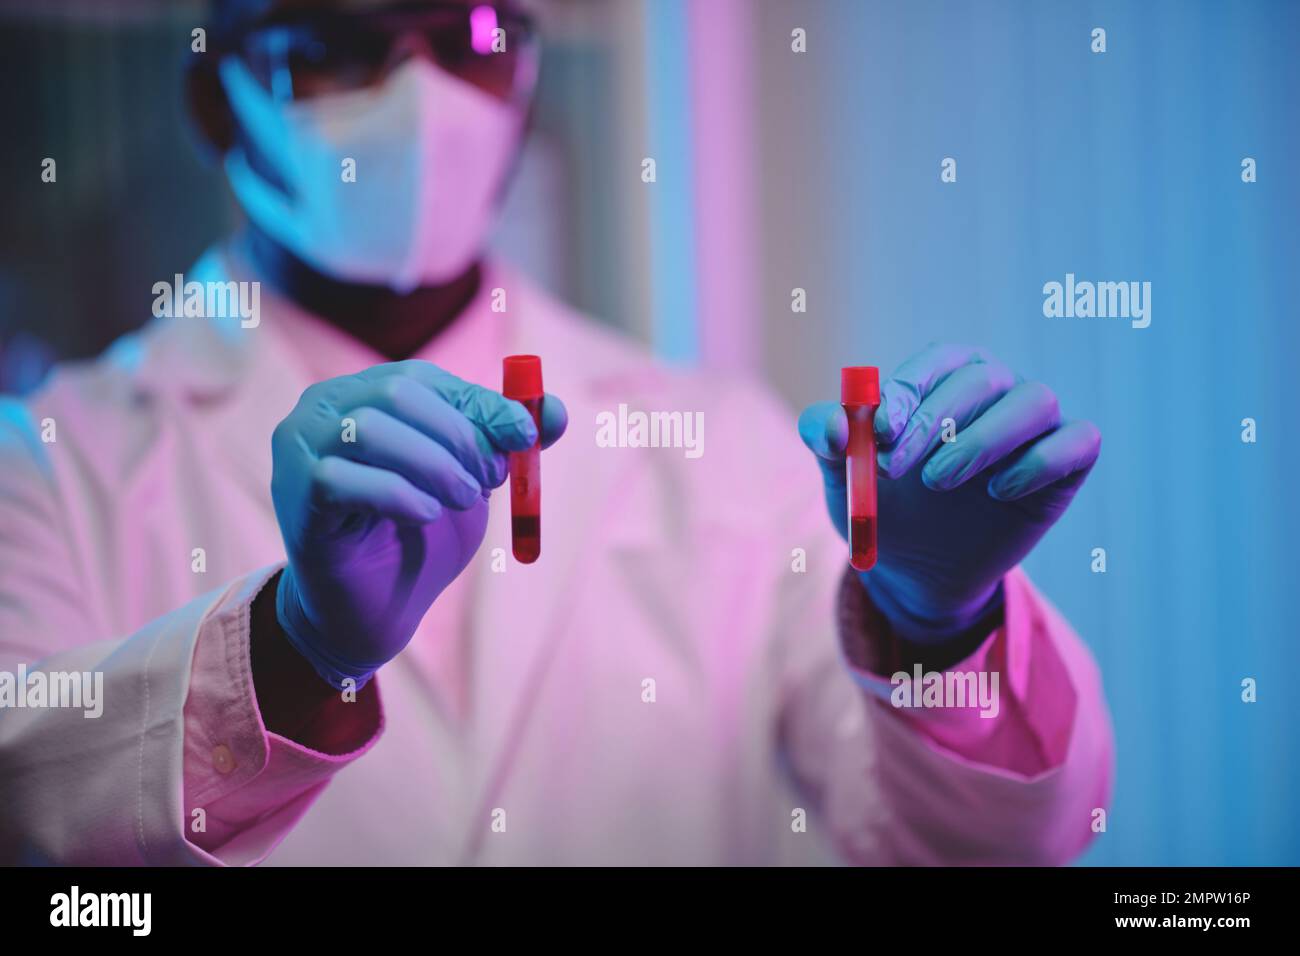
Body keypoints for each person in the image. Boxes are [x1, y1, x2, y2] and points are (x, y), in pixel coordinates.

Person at [0, 0, 1112, 865]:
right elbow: (32, 820)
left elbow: (978, 848)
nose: (420, 95)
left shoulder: (715, 440)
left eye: (474, 33)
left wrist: (935, 625)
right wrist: (296, 654)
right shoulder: (47, 461)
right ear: (214, 103)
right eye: (336, 41)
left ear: (526, 76)